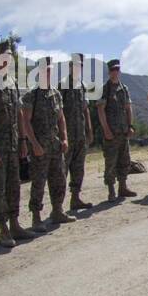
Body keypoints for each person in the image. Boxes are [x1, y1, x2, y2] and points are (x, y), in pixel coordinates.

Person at [0, 45, 34, 247]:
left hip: (12, 146)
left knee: (14, 186)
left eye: (11, 58)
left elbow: (19, 114)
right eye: (5, 57)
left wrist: (23, 141)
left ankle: (15, 225)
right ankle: (3, 230)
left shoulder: (12, 84)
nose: (9, 61)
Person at [22, 57, 75, 232]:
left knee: (59, 179)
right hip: (40, 148)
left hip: (55, 145)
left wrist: (65, 138)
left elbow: (61, 118)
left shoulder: (56, 94)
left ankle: (57, 211)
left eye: (50, 70)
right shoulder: (31, 96)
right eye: (45, 70)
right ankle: (36, 218)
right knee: (39, 182)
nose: (48, 73)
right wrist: (34, 144)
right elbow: (26, 122)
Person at [96, 58, 137, 202]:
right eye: (113, 69)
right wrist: (106, 130)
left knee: (125, 160)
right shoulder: (104, 89)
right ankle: (111, 190)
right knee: (111, 162)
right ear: (109, 72)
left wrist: (130, 126)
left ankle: (123, 187)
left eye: (117, 69)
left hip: (123, 131)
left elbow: (128, 108)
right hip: (111, 133)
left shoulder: (123, 88)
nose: (115, 72)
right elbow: (100, 110)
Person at [60, 55, 94, 213]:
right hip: (68, 135)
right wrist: (62, 135)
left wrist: (89, 129)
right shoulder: (63, 85)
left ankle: (75, 199)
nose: (77, 68)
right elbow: (58, 112)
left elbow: (85, 109)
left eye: (80, 66)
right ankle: (58, 206)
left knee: (78, 168)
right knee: (63, 170)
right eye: (75, 65)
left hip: (80, 133)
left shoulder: (81, 85)